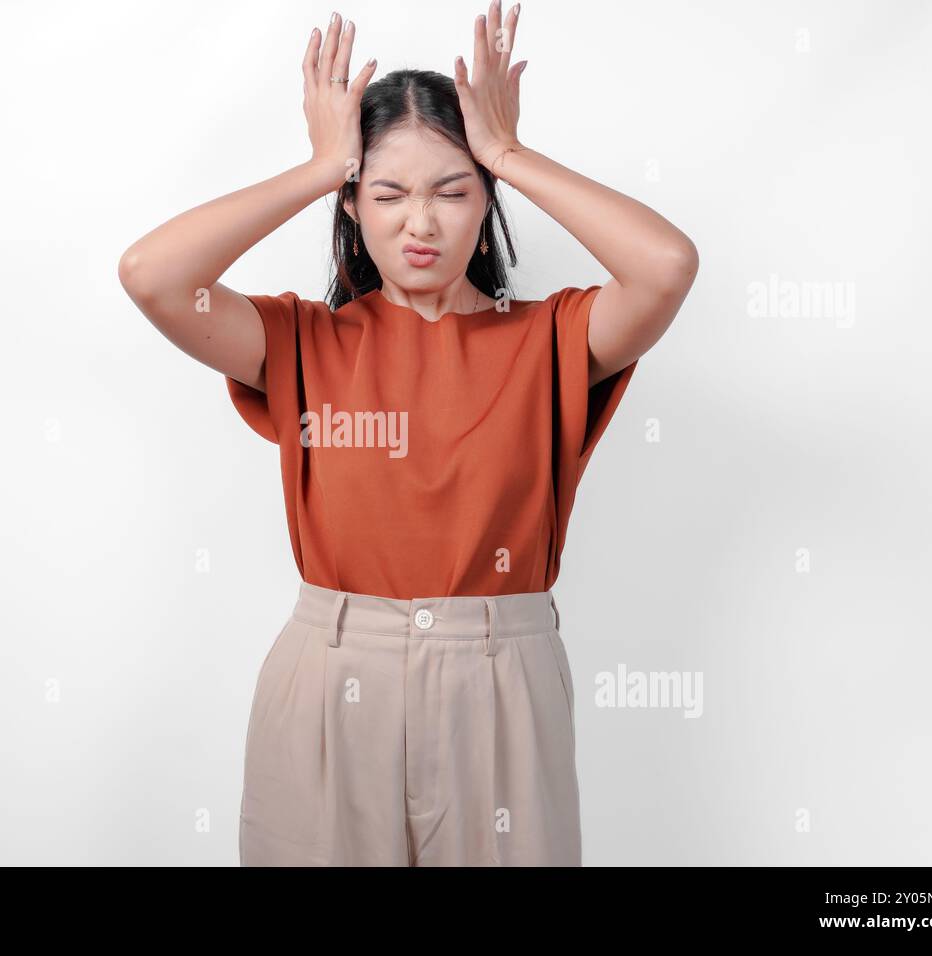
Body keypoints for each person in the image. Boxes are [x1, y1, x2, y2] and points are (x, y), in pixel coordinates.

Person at [118, 2, 697, 866]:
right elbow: (152, 275)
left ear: (485, 201)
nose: (420, 224)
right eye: (388, 194)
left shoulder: (549, 340)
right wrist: (320, 167)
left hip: (502, 680)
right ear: (353, 206)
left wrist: (507, 151)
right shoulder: (305, 343)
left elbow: (667, 266)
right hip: (332, 672)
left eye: (453, 191)